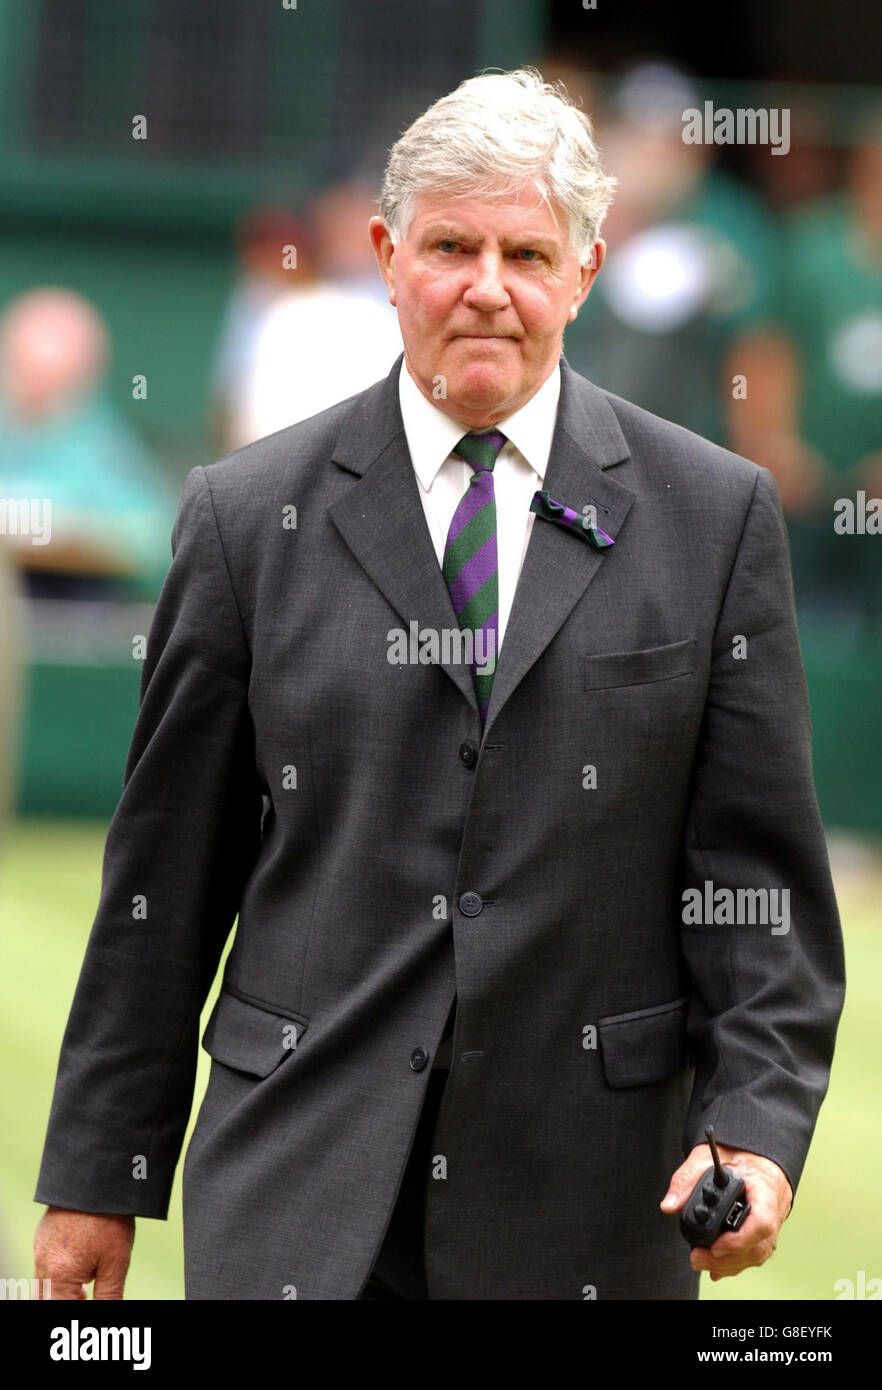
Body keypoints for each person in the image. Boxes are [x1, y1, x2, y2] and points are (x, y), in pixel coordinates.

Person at [33, 68, 844, 1301]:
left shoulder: (713, 521)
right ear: (385, 254)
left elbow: (756, 882)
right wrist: (100, 1168)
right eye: (451, 244)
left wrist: (757, 1124)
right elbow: (164, 876)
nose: (487, 286)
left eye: (527, 251)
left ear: (585, 269)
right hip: (294, 1195)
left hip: (589, 1209)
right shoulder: (247, 519)